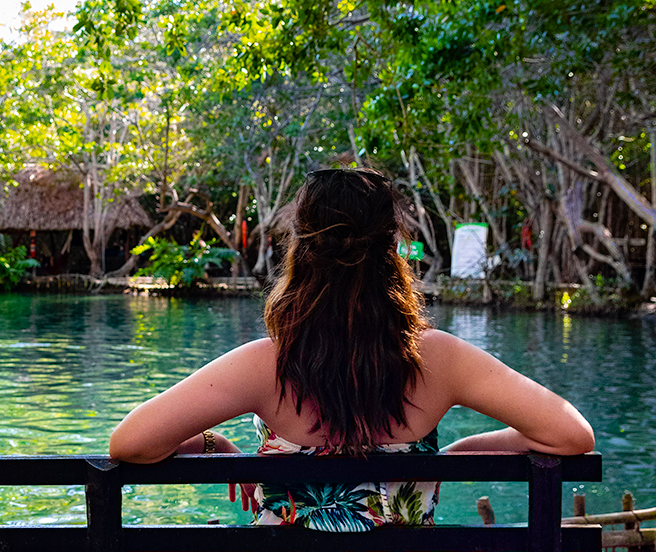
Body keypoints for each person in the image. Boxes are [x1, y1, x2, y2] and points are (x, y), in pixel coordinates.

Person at [108, 168, 594, 532]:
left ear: (301, 251)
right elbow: (570, 435)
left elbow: (129, 444)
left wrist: (211, 443)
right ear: (394, 253)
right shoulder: (440, 359)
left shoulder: (265, 364)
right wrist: (458, 453)